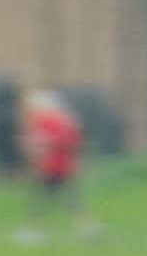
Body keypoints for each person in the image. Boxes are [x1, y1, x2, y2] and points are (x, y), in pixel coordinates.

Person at [16, 84, 97, 236]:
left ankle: (33, 230)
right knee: (67, 200)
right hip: (57, 167)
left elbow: (61, 141)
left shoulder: (52, 121)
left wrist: (39, 145)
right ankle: (87, 227)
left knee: (42, 200)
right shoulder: (56, 121)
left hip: (55, 167)